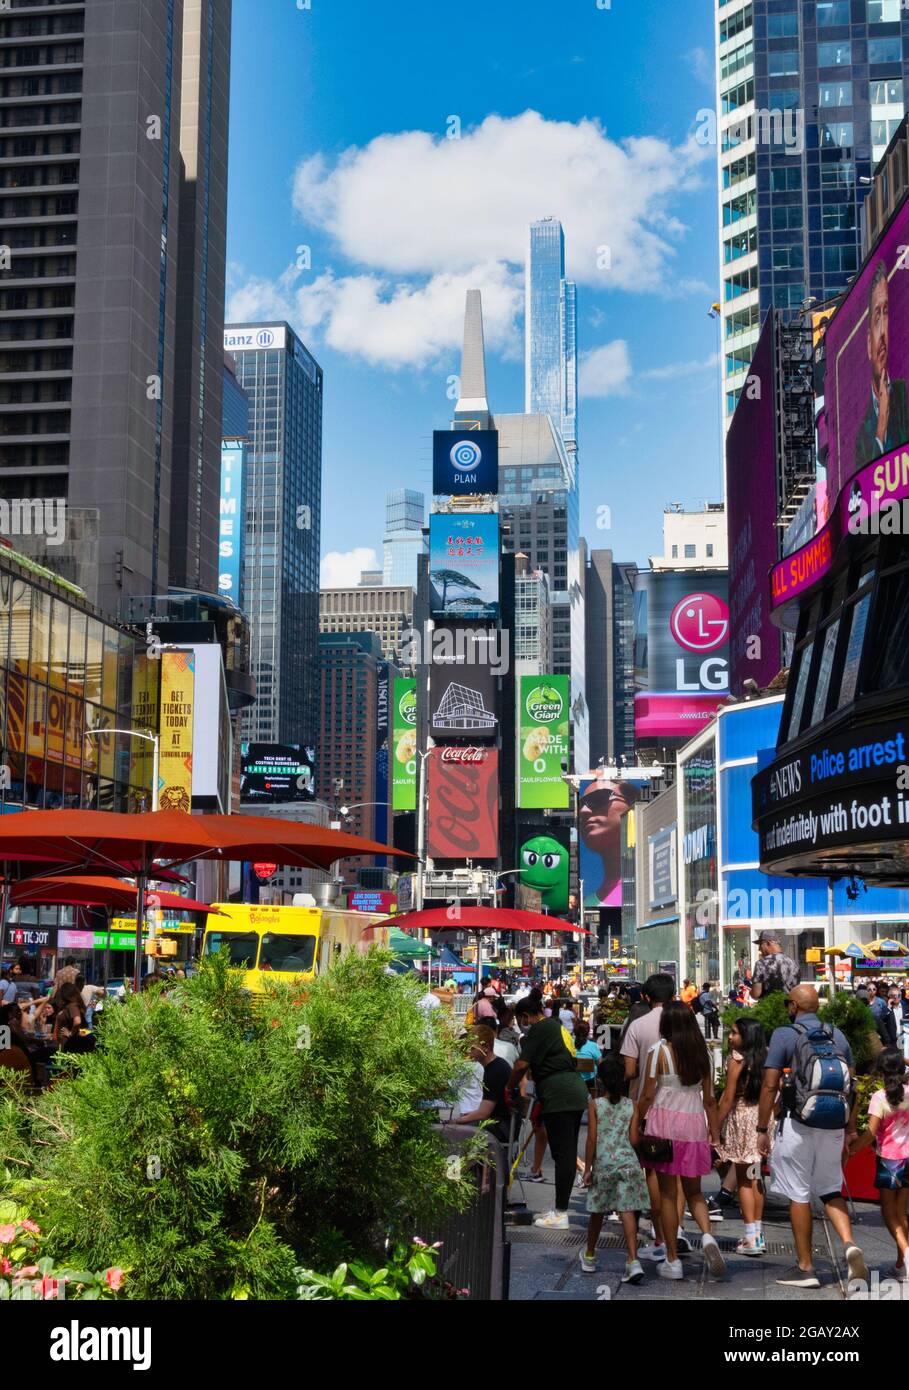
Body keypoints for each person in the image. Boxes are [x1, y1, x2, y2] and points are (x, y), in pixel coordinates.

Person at [756, 984, 867, 1289]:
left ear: (794, 1006)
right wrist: (850, 1129)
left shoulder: (784, 1034)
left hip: (798, 1123)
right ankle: (849, 1245)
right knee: (831, 1189)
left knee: (799, 1193)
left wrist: (762, 1129)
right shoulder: (837, 1035)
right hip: (832, 1123)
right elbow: (851, 1086)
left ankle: (806, 1267)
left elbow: (769, 1085)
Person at [636, 1001, 726, 1282]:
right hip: (694, 1124)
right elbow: (710, 1100)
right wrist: (714, 1134)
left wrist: (637, 1119)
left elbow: (649, 1094)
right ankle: (708, 1237)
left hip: (664, 1125)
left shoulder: (659, 1052)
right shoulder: (703, 1055)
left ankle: (672, 1259)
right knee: (694, 1192)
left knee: (667, 1195)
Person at [621, 973, 692, 1261]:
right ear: (674, 994)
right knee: (678, 1172)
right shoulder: (685, 1021)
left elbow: (629, 1071)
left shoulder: (638, 1025)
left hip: (651, 1107)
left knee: (653, 1170)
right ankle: (680, 1228)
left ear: (646, 997)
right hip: (687, 1106)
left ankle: (662, 1236)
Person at [510, 993, 590, 1229]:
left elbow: (522, 1064)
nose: (522, 1025)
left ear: (525, 1016)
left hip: (560, 1095)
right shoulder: (556, 1027)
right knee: (565, 1152)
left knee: (563, 1155)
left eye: (521, 1020)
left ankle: (561, 1213)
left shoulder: (540, 1029)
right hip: (571, 1090)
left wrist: (509, 1086)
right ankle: (559, 1207)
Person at [580, 1054, 650, 1284]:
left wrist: (587, 1168)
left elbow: (591, 1139)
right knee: (627, 1210)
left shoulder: (595, 1105)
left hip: (604, 1165)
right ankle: (632, 1260)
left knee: (598, 1211)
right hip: (628, 1164)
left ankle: (589, 1255)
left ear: (600, 1081)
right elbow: (634, 1139)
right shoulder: (632, 1105)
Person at [848, 1048, 909, 1280]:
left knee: (888, 1211)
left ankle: (906, 1254)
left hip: (890, 1160)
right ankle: (901, 1264)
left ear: (881, 1070)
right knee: (901, 1212)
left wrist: (853, 1150)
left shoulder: (880, 1097)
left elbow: (871, 1132)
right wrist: (899, 1056)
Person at [716, 1016, 770, 1256]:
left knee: (744, 1180)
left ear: (746, 1037)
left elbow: (728, 1098)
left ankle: (751, 1237)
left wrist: (714, 1128)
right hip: (761, 1120)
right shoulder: (765, 1058)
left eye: (734, 1032)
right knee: (755, 1177)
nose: (730, 1036)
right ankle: (757, 1234)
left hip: (742, 1120)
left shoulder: (736, 1060)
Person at [854, 259, 909, 468]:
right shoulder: (860, 436)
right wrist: (882, 425)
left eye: (886, 313)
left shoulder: (903, 392)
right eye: (877, 316)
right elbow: (868, 493)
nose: (883, 332)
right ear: (868, 343)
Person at [577, 780, 639, 906]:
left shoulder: (658, 887)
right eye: (580, 805)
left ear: (632, 805)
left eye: (598, 798)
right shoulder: (587, 904)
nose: (584, 811)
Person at [455, 1027, 513, 1145]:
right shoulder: (496, 1065)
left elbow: (484, 1113)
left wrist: (456, 1121)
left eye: (472, 1048)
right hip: (501, 1123)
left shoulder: (495, 1071)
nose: (468, 1052)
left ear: (486, 1047)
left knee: (454, 1131)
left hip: (501, 1127)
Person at [749, 931, 800, 1000]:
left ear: (768, 943)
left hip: (770, 1008)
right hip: (790, 1007)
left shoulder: (761, 963)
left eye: (760, 945)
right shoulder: (794, 963)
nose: (759, 949)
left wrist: (750, 992)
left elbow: (756, 994)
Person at [573, 1020, 601, 1095]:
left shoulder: (570, 1044)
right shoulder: (593, 1045)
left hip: (574, 1080)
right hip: (590, 1081)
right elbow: (600, 1064)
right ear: (588, 1032)